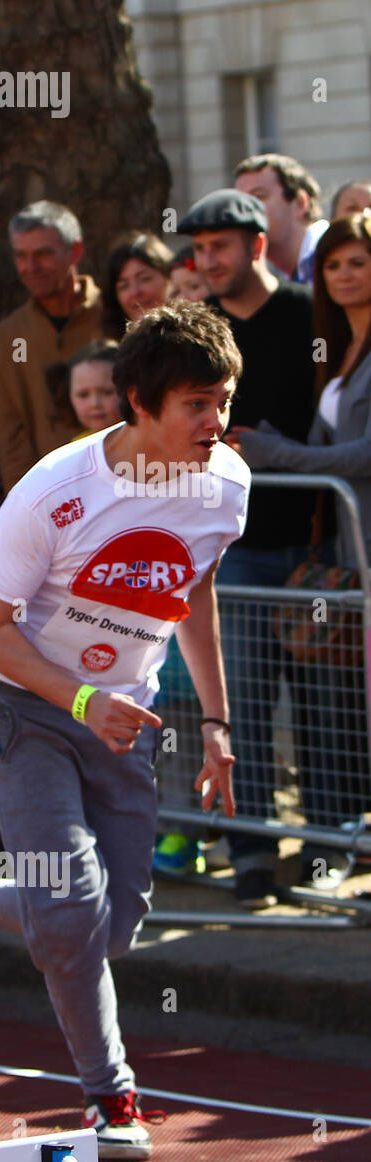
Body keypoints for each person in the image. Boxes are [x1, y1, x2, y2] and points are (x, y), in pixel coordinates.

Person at [0, 301, 247, 1160]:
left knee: (112, 926)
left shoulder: (226, 487)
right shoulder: (58, 492)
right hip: (18, 707)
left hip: (120, 718)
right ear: (140, 403)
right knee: (68, 912)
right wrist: (79, 701)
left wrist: (215, 721)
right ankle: (112, 1094)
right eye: (196, 406)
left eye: (224, 400)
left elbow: (194, 590)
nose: (216, 422)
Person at [179, 188, 318, 906]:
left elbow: (327, 430)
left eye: (220, 247)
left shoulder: (306, 314)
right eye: (199, 249)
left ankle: (330, 851)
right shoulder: (197, 328)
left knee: (325, 707)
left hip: (308, 546)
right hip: (225, 553)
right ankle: (252, 855)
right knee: (243, 709)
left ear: (258, 246)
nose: (208, 261)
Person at [229, 212, 371, 888]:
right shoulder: (338, 345)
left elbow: (365, 455)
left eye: (359, 262)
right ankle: (323, 848)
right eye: (335, 264)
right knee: (332, 703)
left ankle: (339, 849)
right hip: (344, 552)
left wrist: (275, 454)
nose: (344, 276)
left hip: (361, 549)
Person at [0, 201, 105, 490]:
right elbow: (10, 434)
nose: (31, 267)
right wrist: (26, 503)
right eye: (21, 256)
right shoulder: (9, 336)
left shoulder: (115, 315)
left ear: (74, 252)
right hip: (50, 497)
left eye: (42, 254)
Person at [234, 153, 328, 285]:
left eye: (258, 197)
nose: (244, 209)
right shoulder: (290, 275)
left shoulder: (335, 250)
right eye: (239, 201)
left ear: (300, 203)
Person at [101, 232, 174, 340]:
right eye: (124, 286)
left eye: (145, 279)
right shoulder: (110, 351)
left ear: (169, 277)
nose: (135, 292)